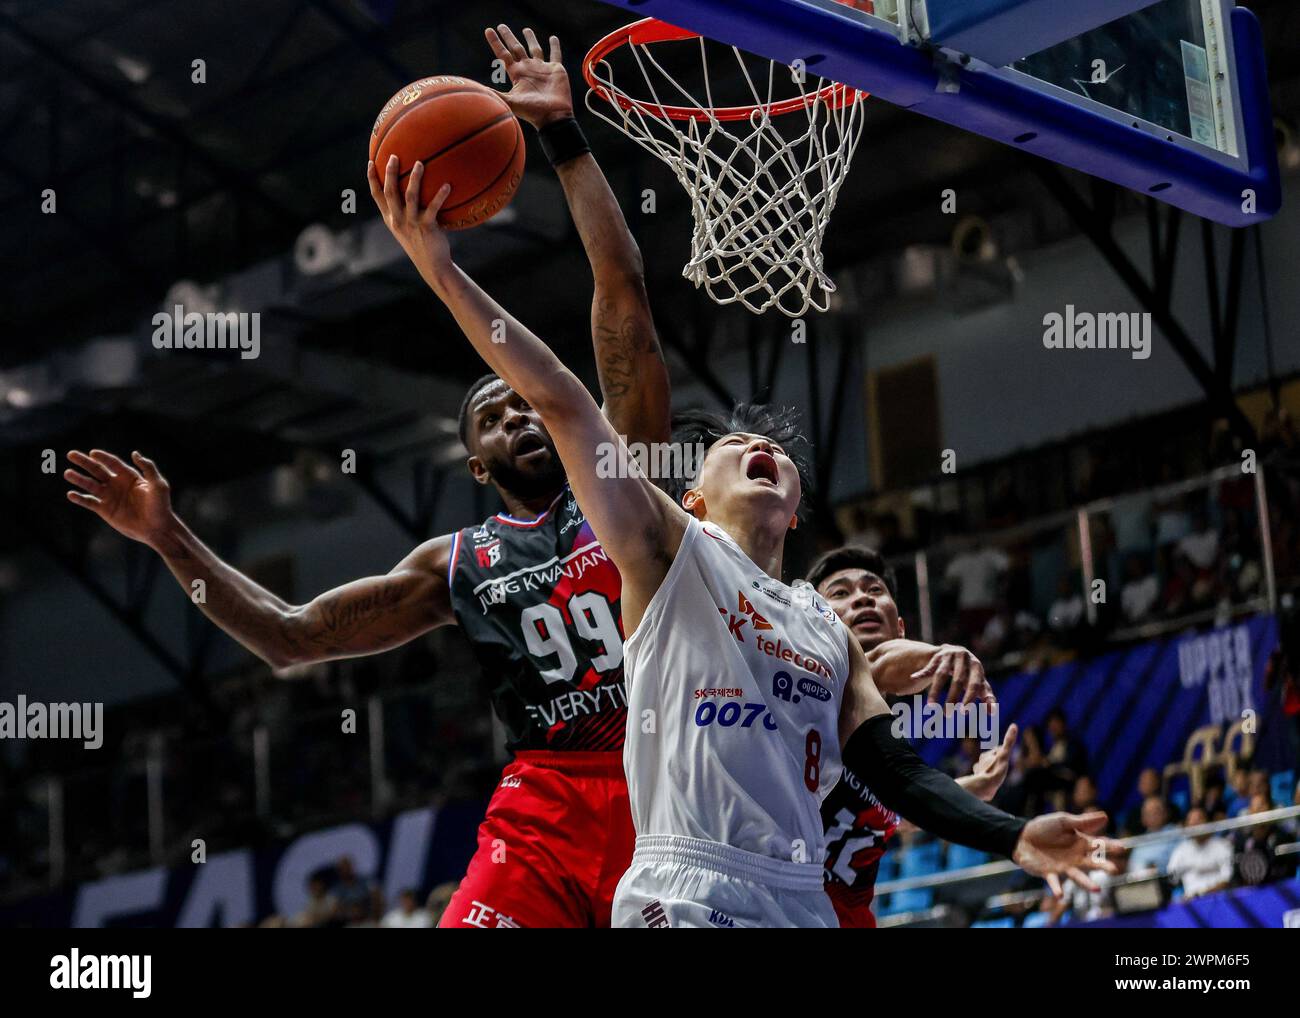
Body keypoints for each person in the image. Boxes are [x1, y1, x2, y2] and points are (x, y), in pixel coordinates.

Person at [379, 143, 1123, 926]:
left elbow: (892, 767)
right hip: (689, 889)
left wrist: (1012, 838)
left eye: (773, 451)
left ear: (795, 508)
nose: (756, 446)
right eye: (732, 447)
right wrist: (444, 267)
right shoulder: (670, 558)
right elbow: (562, 398)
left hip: (802, 903)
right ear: (692, 499)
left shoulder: (825, 627)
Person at [63, 26, 669, 929]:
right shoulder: (455, 564)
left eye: (524, 401)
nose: (516, 416)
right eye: (490, 417)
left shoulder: (628, 481)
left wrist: (562, 137)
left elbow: (620, 291)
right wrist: (166, 536)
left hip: (669, 785)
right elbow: (289, 638)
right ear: (473, 464)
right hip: (541, 814)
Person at [806, 545, 1019, 927]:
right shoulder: (814, 694)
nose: (861, 599)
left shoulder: (886, 743)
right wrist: (941, 654)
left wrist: (973, 788)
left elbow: (892, 815)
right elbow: (877, 665)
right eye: (840, 593)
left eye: (874, 590)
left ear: (900, 627)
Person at [1166, 806, 1233, 899]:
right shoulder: (1181, 850)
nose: (1194, 824)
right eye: (1191, 821)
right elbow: (1172, 878)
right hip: (1190, 902)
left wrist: (1201, 894)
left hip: (1219, 898)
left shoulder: (1222, 845)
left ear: (1208, 823)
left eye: (1199, 819)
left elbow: (1227, 879)